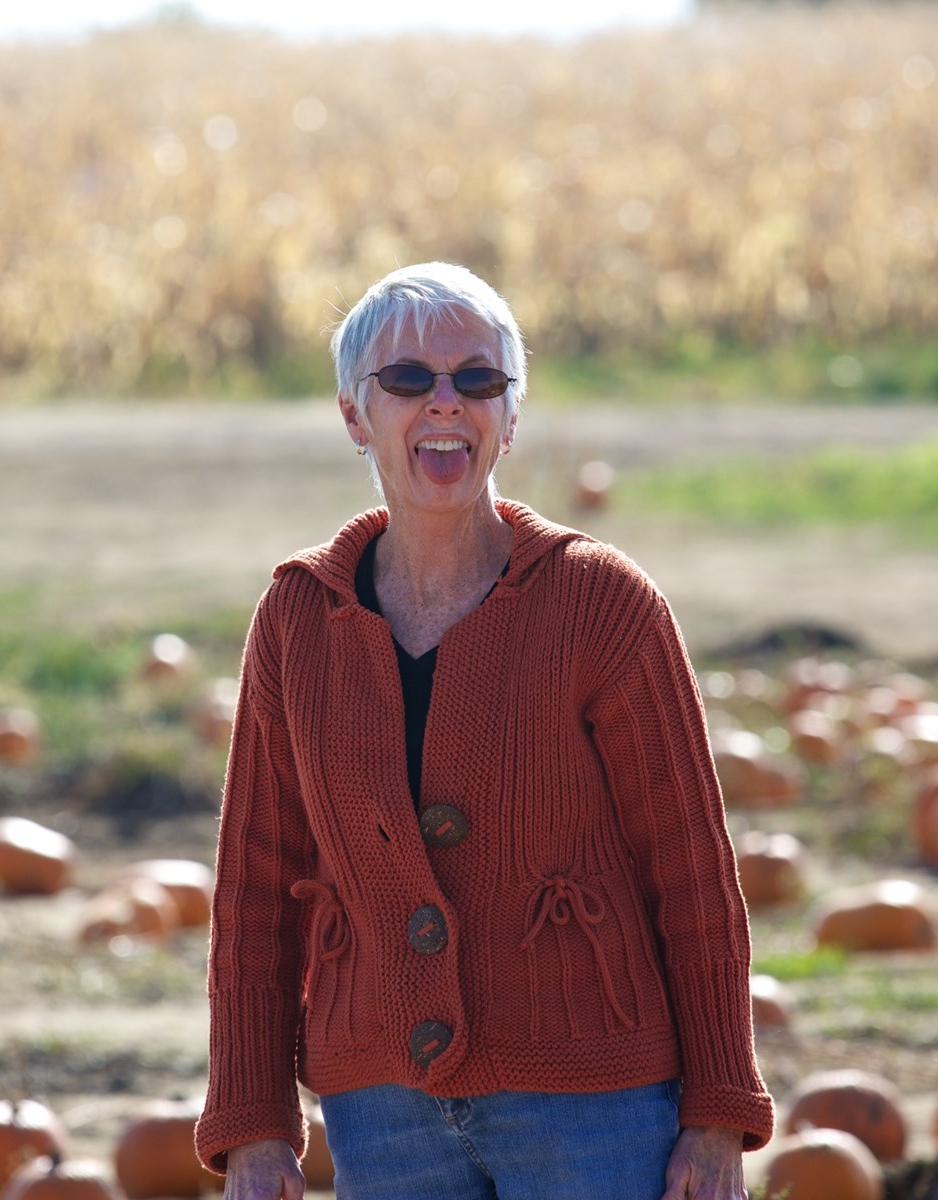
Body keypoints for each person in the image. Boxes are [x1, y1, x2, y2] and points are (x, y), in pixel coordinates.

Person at [194, 262, 773, 1200]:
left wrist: (717, 1113)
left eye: (478, 380)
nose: (445, 406)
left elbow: (692, 868)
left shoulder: (604, 603)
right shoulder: (297, 617)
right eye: (409, 381)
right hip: (380, 1103)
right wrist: (254, 1123)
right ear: (354, 415)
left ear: (511, 417)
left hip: (593, 1095)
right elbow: (256, 885)